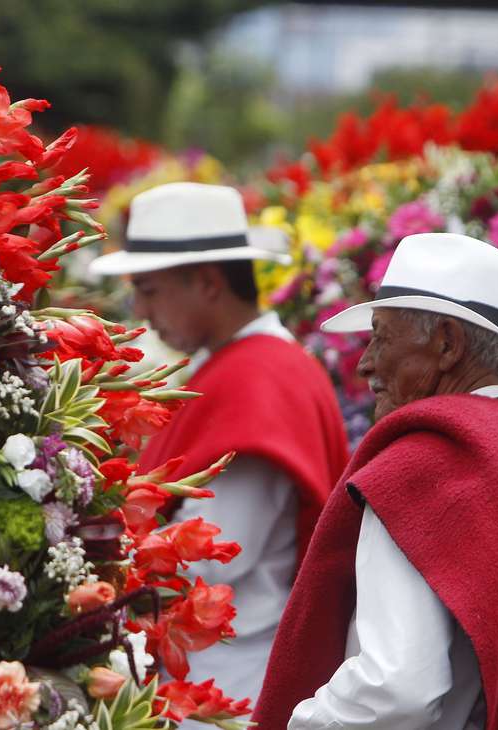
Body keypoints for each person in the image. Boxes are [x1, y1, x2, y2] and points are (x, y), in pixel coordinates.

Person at [254, 232, 498, 729]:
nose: (365, 362)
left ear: (447, 344)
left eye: (381, 337)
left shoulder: (420, 466)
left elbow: (396, 689)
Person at [89, 182, 349, 706]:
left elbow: (217, 556)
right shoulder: (258, 365)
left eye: (149, 289)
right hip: (225, 666)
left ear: (208, 282)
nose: (139, 309)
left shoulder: (258, 380)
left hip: (227, 680)